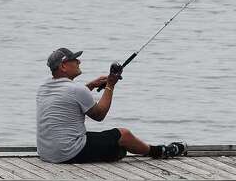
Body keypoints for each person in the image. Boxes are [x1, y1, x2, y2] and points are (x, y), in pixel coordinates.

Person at [36, 47, 186, 163]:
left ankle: (120, 151)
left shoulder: (44, 87)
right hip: (68, 153)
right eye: (74, 60)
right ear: (63, 66)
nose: (79, 62)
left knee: (117, 148)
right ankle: (160, 151)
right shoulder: (76, 90)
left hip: (46, 153)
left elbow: (67, 98)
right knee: (124, 135)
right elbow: (99, 115)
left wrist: (92, 85)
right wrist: (110, 85)